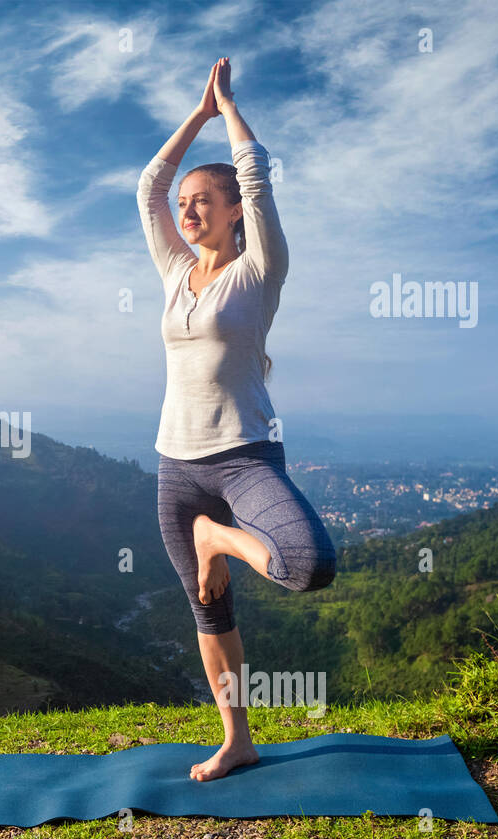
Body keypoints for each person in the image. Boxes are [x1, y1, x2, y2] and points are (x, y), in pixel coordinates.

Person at [136, 58, 337, 781]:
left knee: (309, 566)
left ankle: (217, 537)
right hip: (175, 466)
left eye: (202, 202)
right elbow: (147, 188)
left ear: (232, 212)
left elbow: (257, 176)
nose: (186, 212)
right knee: (210, 616)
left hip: (245, 458)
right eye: (184, 203)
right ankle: (237, 739)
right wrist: (195, 115)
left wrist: (229, 111)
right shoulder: (173, 272)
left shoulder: (258, 273)